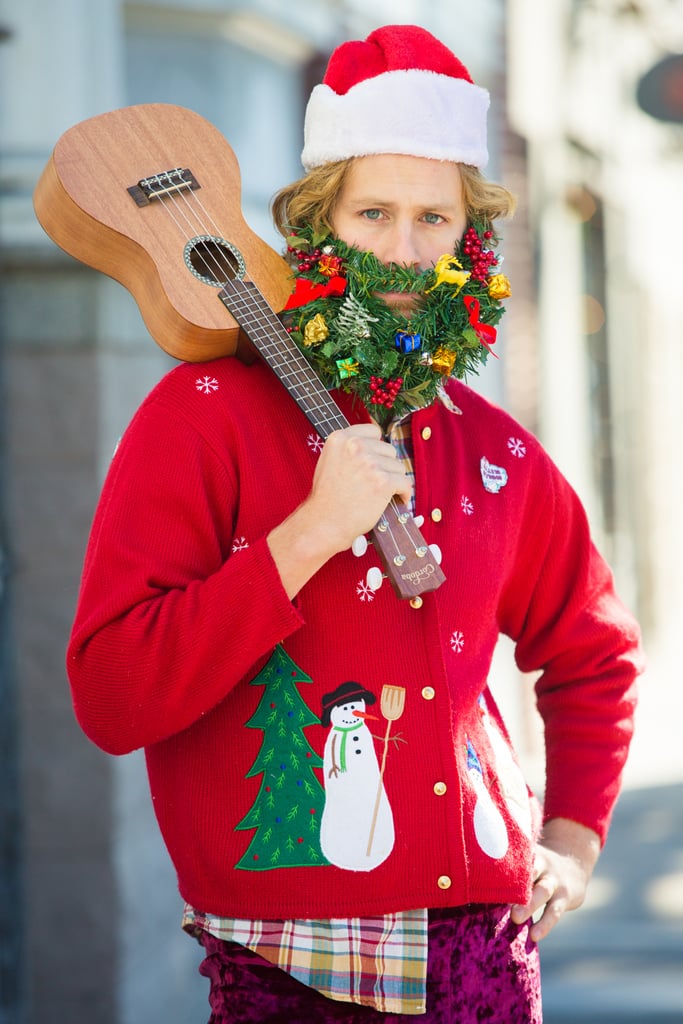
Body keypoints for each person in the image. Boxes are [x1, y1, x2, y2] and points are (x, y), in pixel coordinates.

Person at [66, 23, 643, 1024]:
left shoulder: (494, 450)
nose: (403, 251)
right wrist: (307, 534)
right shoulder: (201, 416)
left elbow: (592, 652)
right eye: (372, 211)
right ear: (315, 225)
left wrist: (574, 839)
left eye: (433, 217)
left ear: (471, 240)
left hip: (482, 953)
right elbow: (111, 694)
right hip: (279, 962)